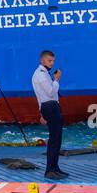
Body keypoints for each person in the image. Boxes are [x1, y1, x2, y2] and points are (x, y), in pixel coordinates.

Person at [32, 50, 67, 181]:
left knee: (56, 139)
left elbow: (39, 97)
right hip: (51, 107)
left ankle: (54, 168)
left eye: (53, 61)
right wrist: (57, 80)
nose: (52, 63)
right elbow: (51, 92)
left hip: (48, 107)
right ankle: (50, 170)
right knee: (55, 139)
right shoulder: (41, 75)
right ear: (42, 61)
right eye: (49, 61)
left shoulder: (43, 73)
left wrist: (41, 113)